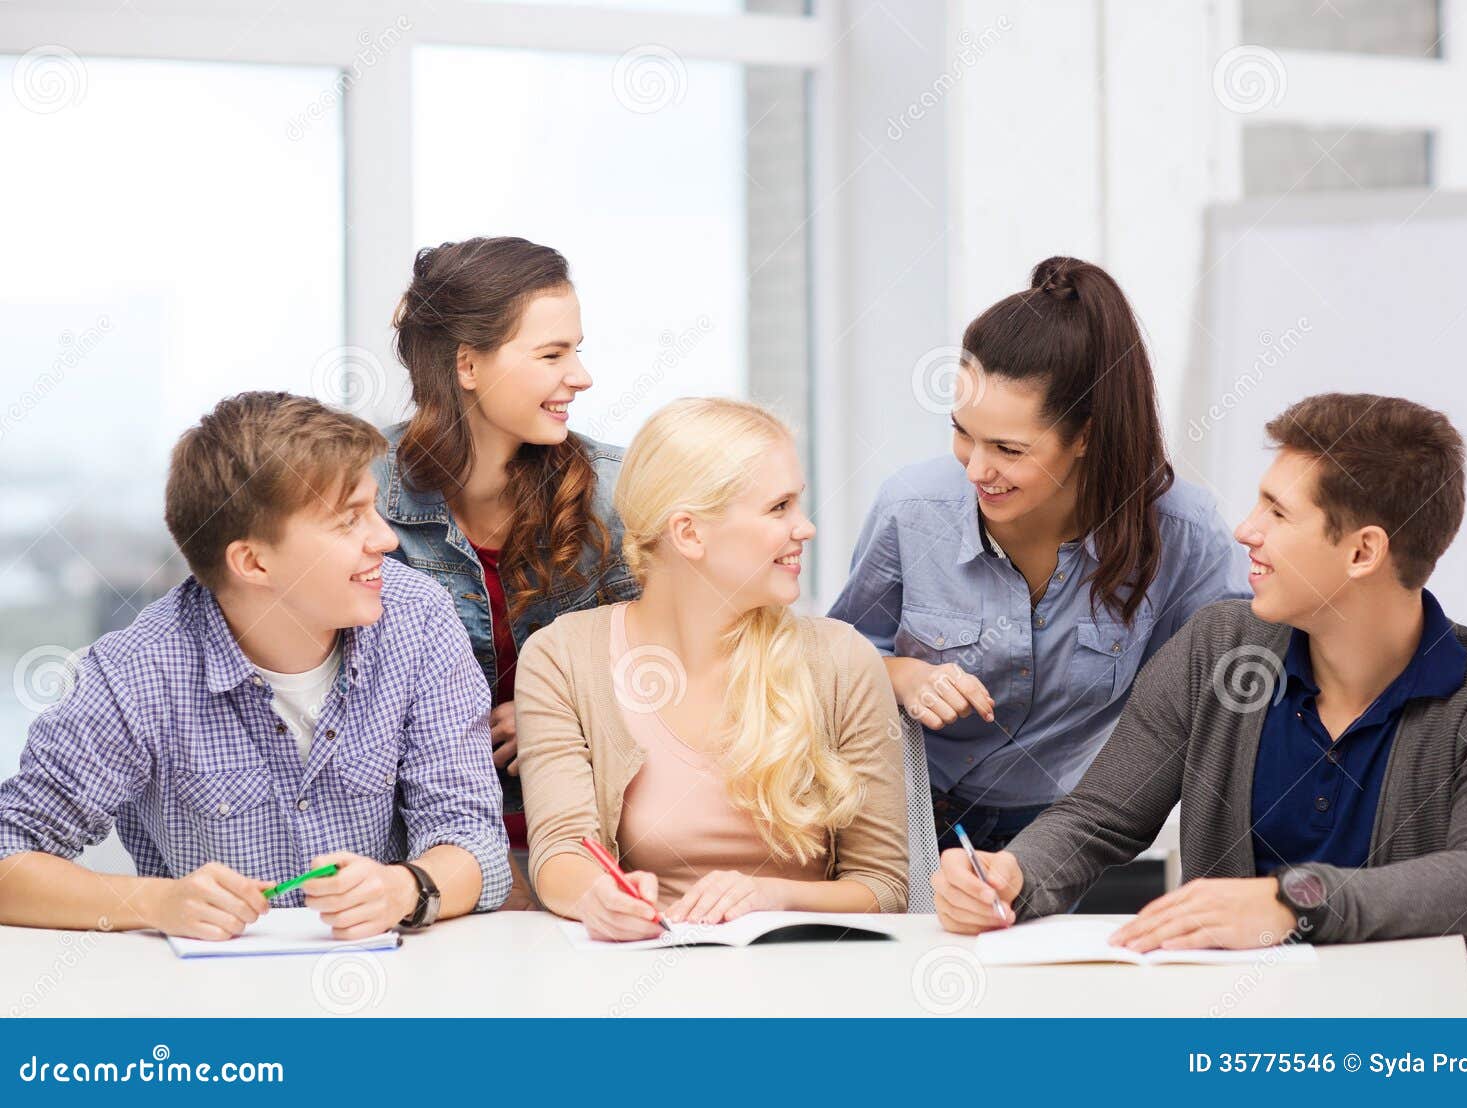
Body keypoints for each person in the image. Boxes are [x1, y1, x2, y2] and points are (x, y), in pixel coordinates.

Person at [931, 393, 1467, 1017]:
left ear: (1363, 552)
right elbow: (1100, 818)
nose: (1245, 530)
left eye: (1278, 513)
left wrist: (1292, 902)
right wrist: (1014, 873)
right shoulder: (1218, 650)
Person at [0, 393, 510, 939]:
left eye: (374, 508)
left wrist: (406, 888)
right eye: (347, 521)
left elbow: (473, 837)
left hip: (385, 989)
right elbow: (11, 858)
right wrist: (158, 902)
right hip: (210, 1002)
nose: (385, 538)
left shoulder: (419, 619)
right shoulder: (137, 672)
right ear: (252, 562)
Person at [830, 256, 1247, 853]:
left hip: (1064, 833)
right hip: (905, 814)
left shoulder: (1183, 531)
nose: (977, 468)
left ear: (1086, 435)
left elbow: (1218, 699)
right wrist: (905, 675)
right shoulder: (911, 507)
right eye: (962, 432)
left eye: (1008, 448)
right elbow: (838, 661)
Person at [517, 398, 908, 940]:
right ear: (690, 533)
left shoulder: (842, 660)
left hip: (808, 977)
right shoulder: (561, 659)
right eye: (779, 508)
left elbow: (883, 888)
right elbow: (561, 852)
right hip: (641, 970)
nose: (805, 528)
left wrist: (773, 898)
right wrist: (597, 899)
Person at [376, 237, 636, 907]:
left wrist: (568, 707)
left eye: (577, 350)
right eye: (552, 355)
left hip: (600, 853)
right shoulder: (363, 497)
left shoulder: (618, 491)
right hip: (421, 860)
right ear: (467, 364)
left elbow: (694, 663)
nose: (580, 376)